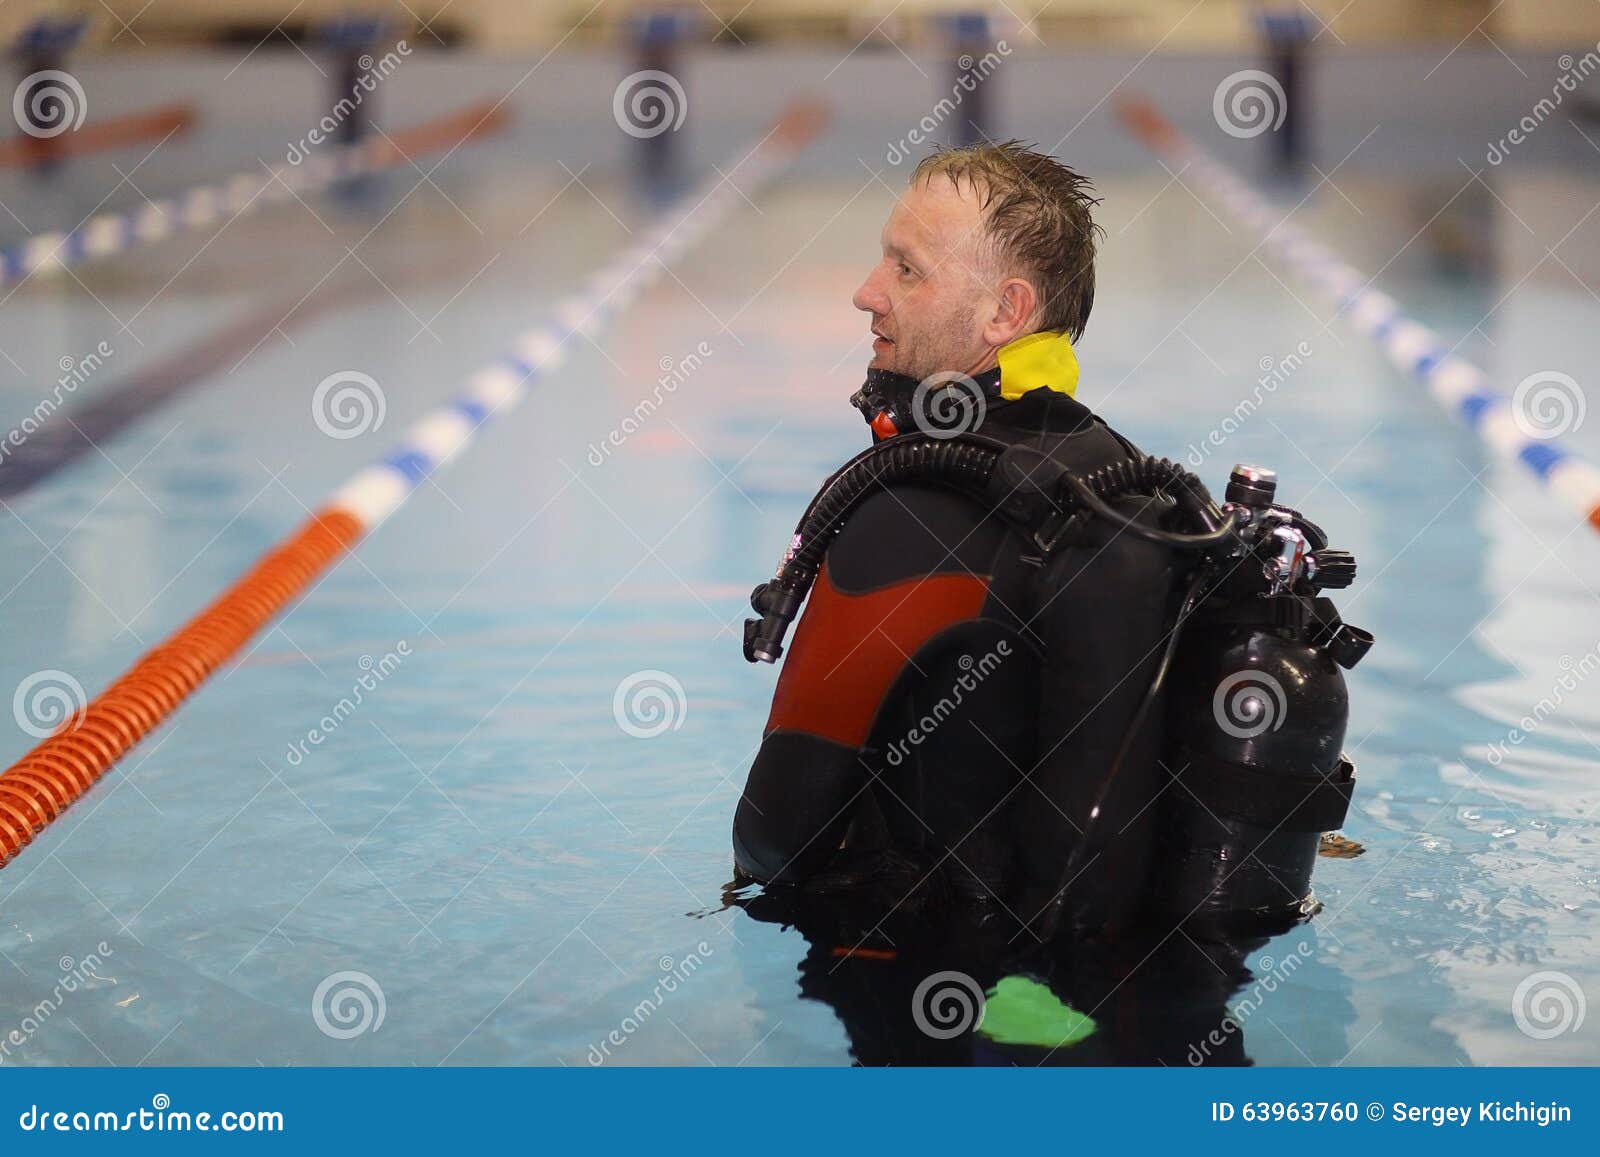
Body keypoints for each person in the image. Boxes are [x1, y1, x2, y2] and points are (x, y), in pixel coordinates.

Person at [731, 141, 1185, 936]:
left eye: (907, 270)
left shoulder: (906, 521)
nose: (865, 293)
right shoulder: (1132, 484)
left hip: (937, 1014)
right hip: (1138, 999)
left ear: (1005, 313)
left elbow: (773, 842)